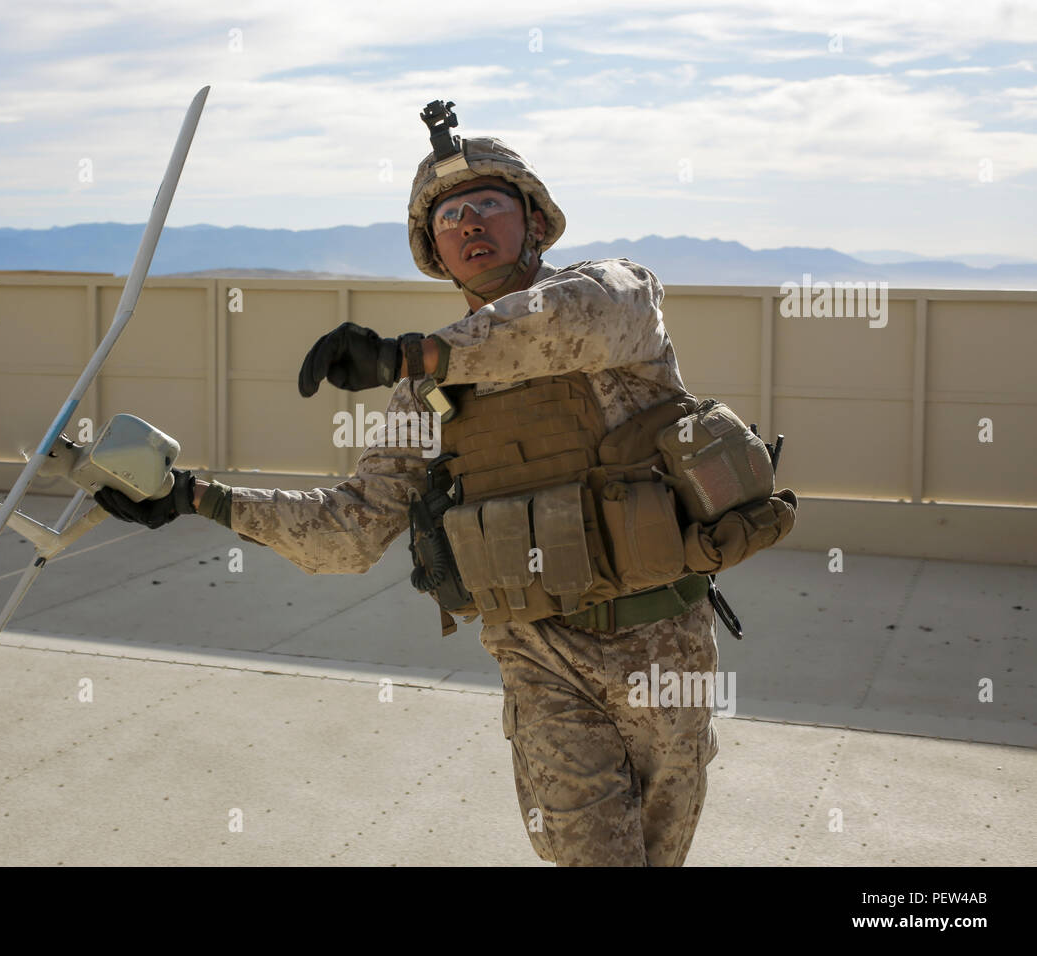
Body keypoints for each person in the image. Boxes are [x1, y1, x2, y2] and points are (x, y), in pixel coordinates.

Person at [96, 102, 795, 865]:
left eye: (489, 204)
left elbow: (557, 324)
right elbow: (352, 530)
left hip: (669, 651)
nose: (469, 224)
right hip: (541, 656)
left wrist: (413, 355)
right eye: (450, 217)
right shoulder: (425, 394)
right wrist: (200, 499)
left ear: (533, 221)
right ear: (434, 251)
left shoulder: (617, 296)